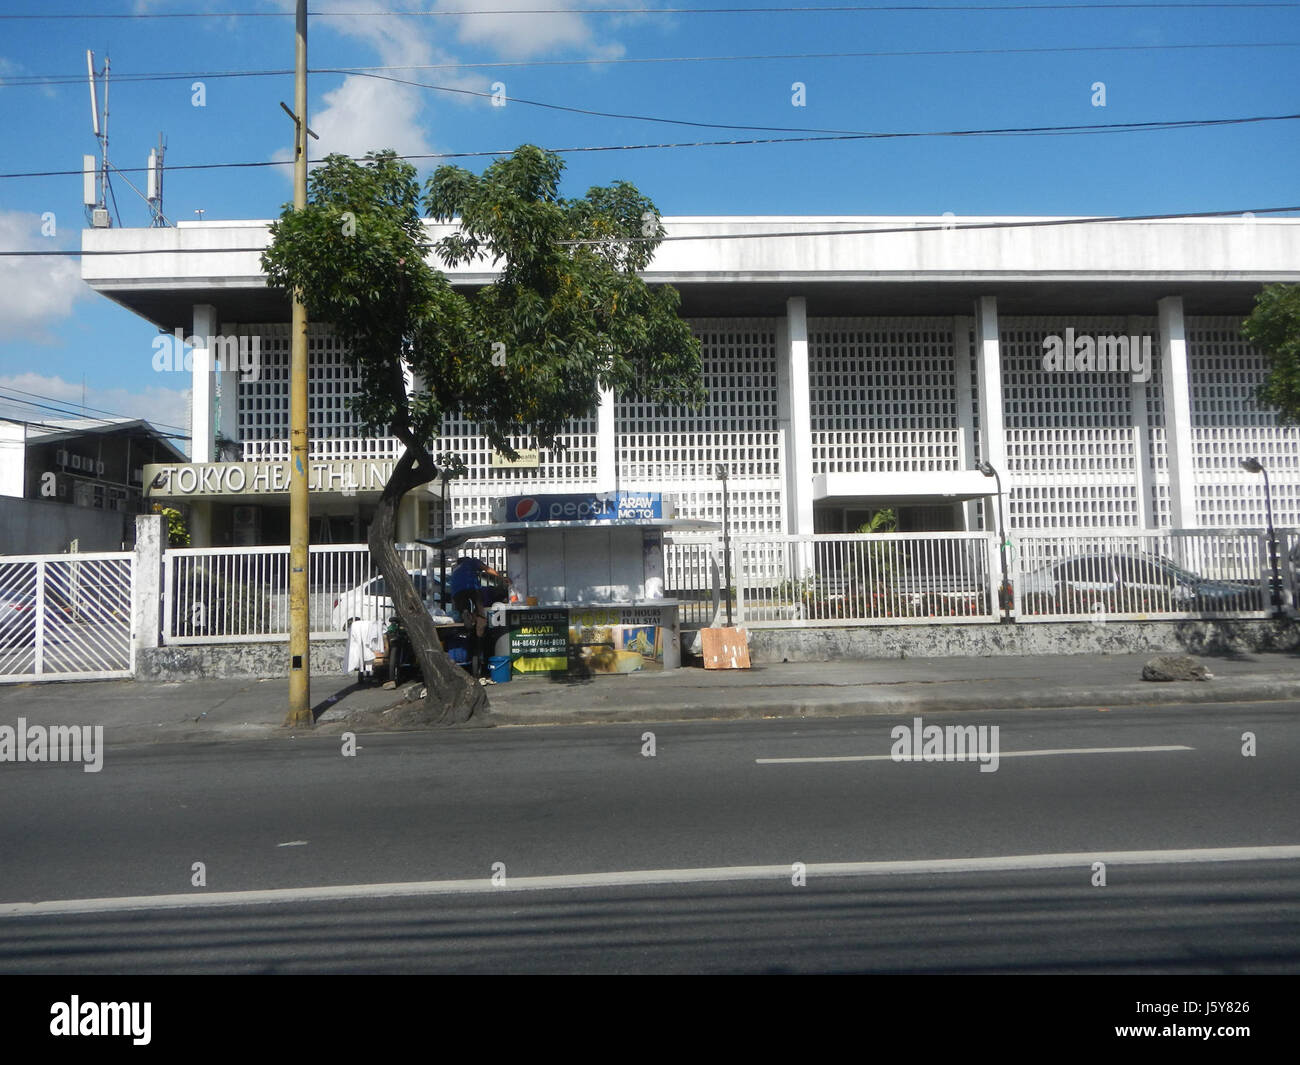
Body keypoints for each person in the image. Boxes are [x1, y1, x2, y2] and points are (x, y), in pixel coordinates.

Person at [449, 557, 504, 682]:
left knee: (463, 607)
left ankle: (465, 613)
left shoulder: (456, 569)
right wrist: (501, 578)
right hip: (472, 587)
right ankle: (480, 628)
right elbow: (488, 569)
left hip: (456, 591)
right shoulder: (472, 562)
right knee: (480, 610)